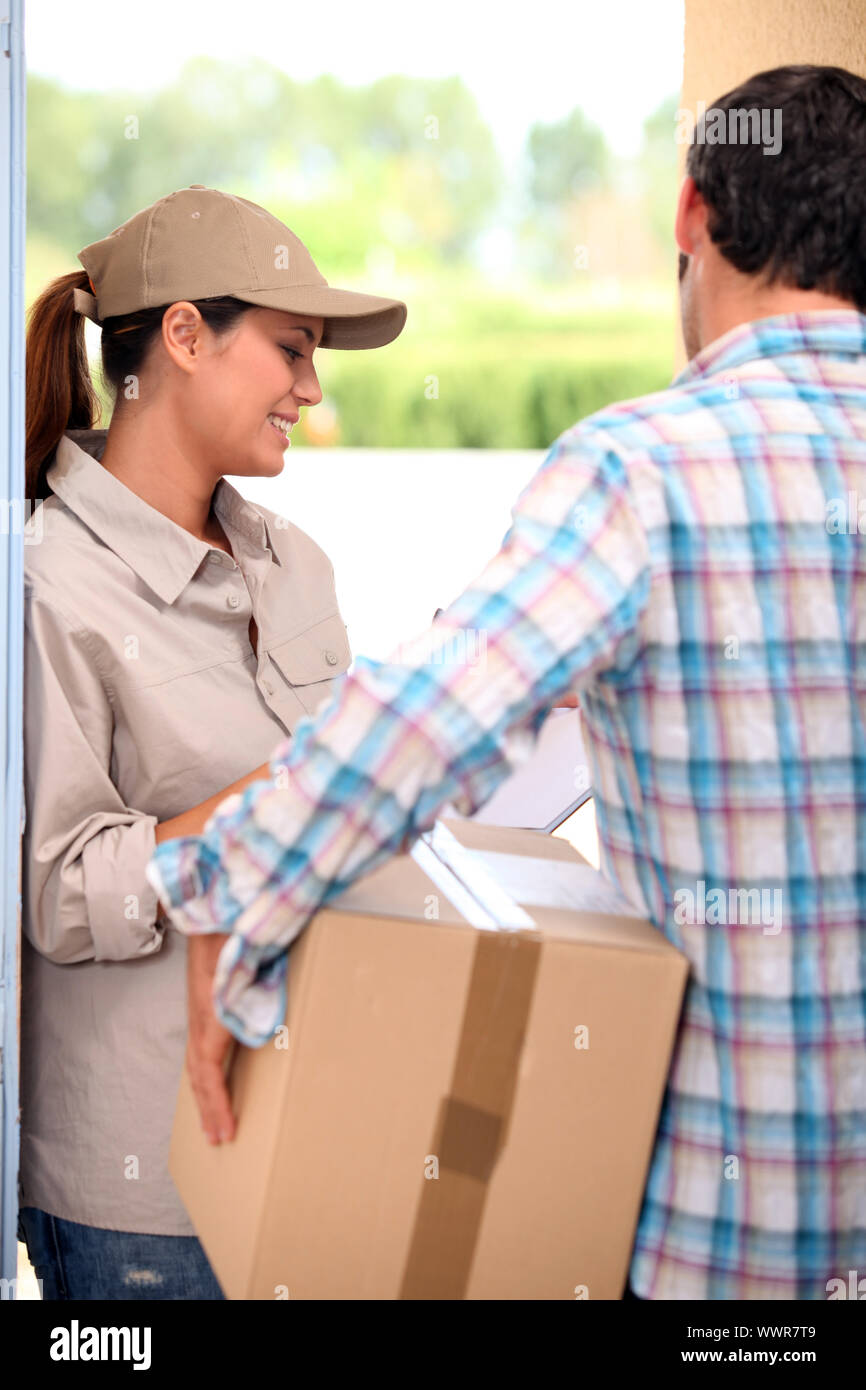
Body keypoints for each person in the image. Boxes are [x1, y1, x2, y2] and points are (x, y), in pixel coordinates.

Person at [149, 66, 866, 1301]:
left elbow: (423, 727)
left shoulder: (643, 473)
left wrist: (229, 900)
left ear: (691, 218)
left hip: (726, 1265)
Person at [17, 184, 407, 1300]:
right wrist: (297, 790)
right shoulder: (51, 583)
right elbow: (61, 890)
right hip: (145, 1200)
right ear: (184, 336)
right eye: (291, 349)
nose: (311, 388)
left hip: (308, 1141)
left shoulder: (294, 562)